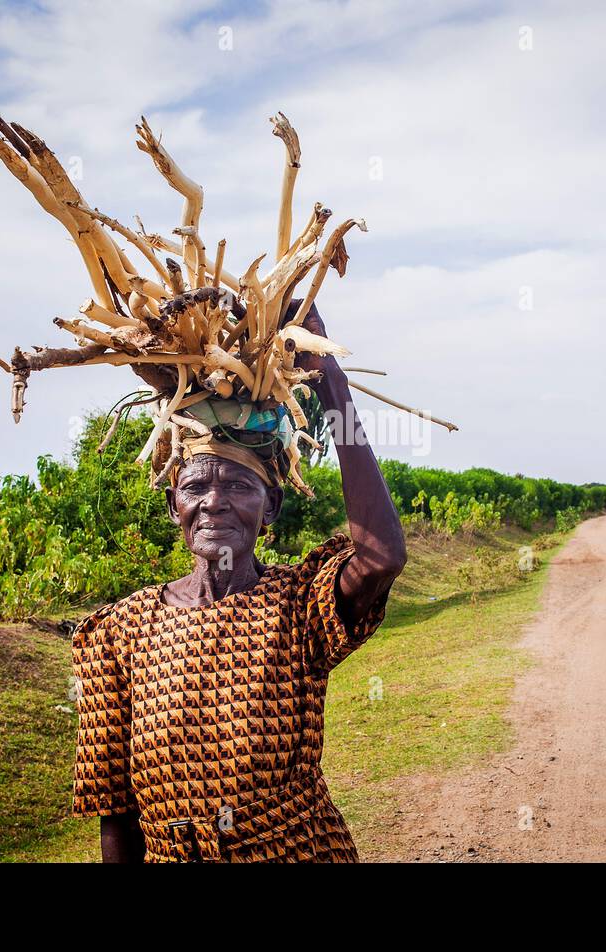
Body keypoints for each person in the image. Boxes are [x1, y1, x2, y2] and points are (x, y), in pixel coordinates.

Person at [70, 301, 407, 862]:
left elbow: (380, 556)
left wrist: (331, 383)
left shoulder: (300, 605)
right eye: (196, 486)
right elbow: (117, 812)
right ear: (174, 503)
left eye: (240, 487)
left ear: (271, 506)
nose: (214, 503)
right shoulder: (116, 634)